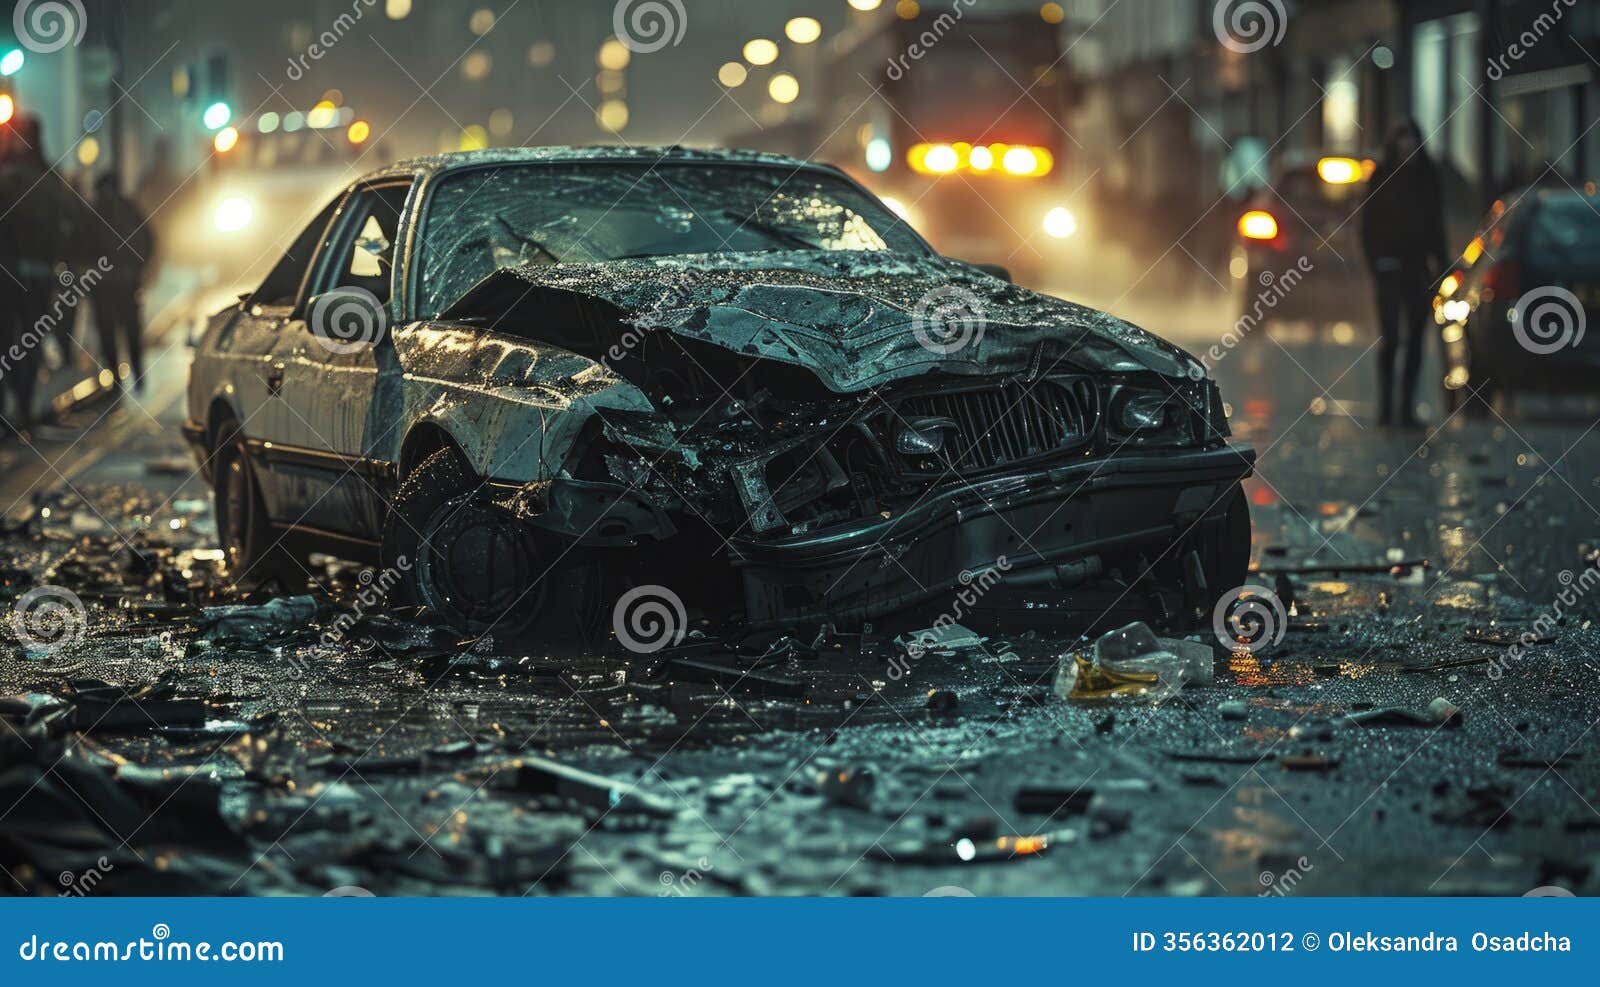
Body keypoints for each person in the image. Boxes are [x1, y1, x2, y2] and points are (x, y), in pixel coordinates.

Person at [1360, 120, 1449, 428]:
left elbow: (1436, 224)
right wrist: (1375, 262)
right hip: (1388, 269)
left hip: (1417, 270)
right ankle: (1386, 407)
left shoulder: (1427, 177)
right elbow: (1367, 225)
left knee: (1415, 340)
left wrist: (1441, 264)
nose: (1406, 144)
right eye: (1401, 138)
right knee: (1391, 338)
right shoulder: (1381, 176)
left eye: (1410, 138)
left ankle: (1406, 407)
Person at [90, 172, 153, 385]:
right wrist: (140, 268)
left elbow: (79, 245)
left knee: (109, 331)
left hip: (104, 284)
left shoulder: (94, 211)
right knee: (130, 329)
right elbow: (149, 239)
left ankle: (117, 377)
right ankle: (136, 372)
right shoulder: (129, 209)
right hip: (124, 281)